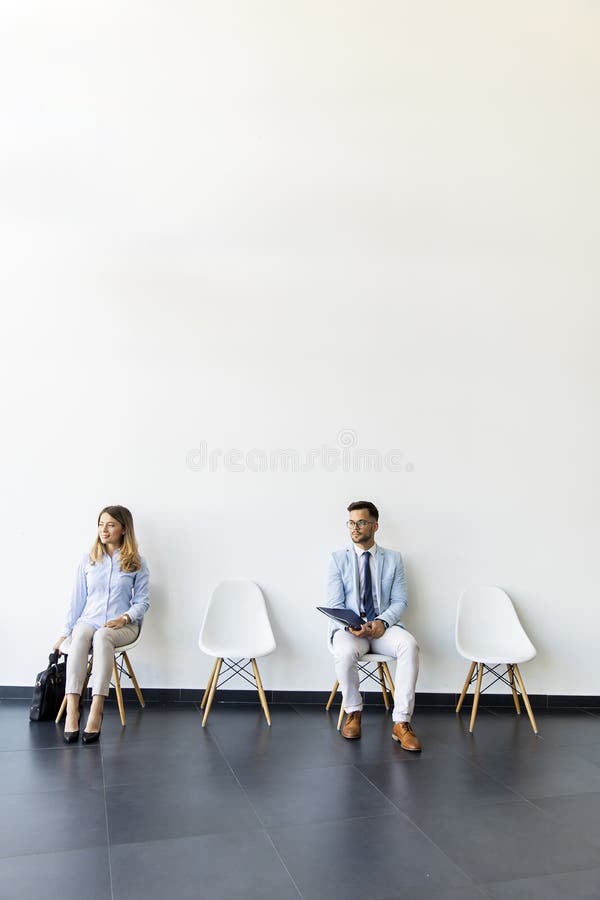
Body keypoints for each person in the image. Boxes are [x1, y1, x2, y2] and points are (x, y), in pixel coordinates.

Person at [327, 501, 421, 750]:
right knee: (344, 651)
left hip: (383, 628)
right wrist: (351, 626)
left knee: (409, 646)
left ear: (375, 526)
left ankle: (401, 722)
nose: (354, 528)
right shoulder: (338, 559)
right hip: (351, 630)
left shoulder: (394, 559)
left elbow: (401, 601)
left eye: (360, 522)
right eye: (351, 522)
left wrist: (381, 622)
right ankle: (354, 712)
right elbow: (335, 604)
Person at [53, 505, 150, 744]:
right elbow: (76, 601)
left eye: (110, 525)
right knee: (81, 634)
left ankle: (96, 709)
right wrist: (65, 633)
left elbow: (142, 601)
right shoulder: (88, 560)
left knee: (102, 636)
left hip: (122, 627)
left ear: (124, 529)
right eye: (100, 524)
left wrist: (125, 618)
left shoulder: (136, 562)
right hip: (89, 620)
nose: (103, 530)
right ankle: (73, 710)